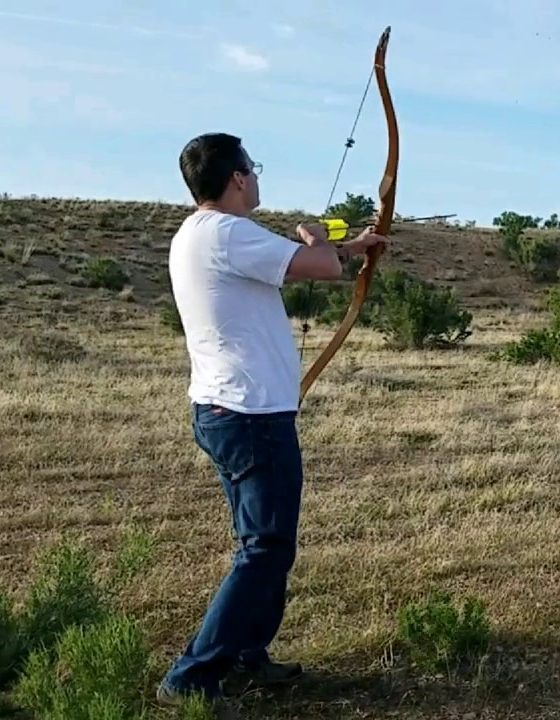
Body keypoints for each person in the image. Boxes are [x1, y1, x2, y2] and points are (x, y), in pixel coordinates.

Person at [159, 132, 386, 715]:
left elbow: (288, 260)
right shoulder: (229, 233)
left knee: (264, 546)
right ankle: (192, 675)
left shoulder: (199, 235)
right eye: (251, 169)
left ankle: (245, 653)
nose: (256, 178)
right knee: (263, 548)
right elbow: (320, 265)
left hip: (230, 411)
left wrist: (353, 242)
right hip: (248, 416)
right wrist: (321, 238)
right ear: (237, 177)